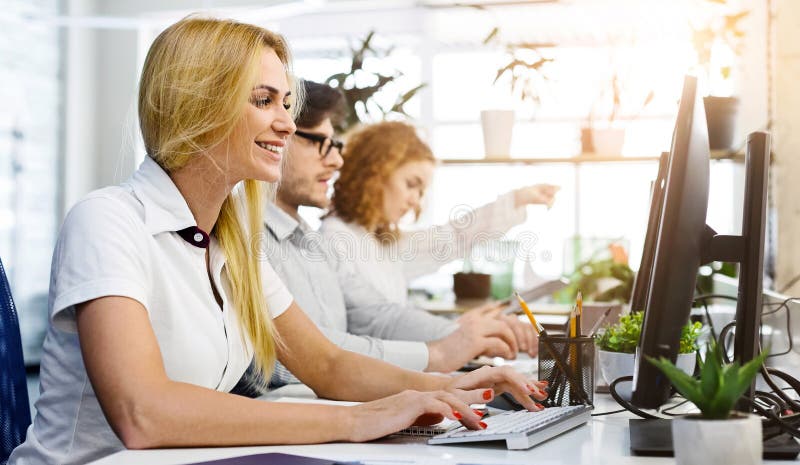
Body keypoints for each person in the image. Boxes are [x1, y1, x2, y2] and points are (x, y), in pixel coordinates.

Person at [9, 17, 547, 465]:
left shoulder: (232, 242)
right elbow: (144, 413)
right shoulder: (107, 221)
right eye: (264, 100)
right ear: (200, 104)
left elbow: (328, 365)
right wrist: (356, 420)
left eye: (286, 103)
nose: (287, 124)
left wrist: (451, 388)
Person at [262, 80, 530, 388]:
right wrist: (443, 348)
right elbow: (315, 357)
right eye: (411, 184)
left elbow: (376, 315)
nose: (337, 161)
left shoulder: (313, 239)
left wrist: (456, 336)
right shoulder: (320, 239)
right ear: (377, 173)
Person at [320, 121, 559, 308]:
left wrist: (517, 199)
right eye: (411, 184)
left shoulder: (379, 241)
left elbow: (452, 237)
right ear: (375, 173)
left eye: (421, 190)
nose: (415, 200)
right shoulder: (337, 239)